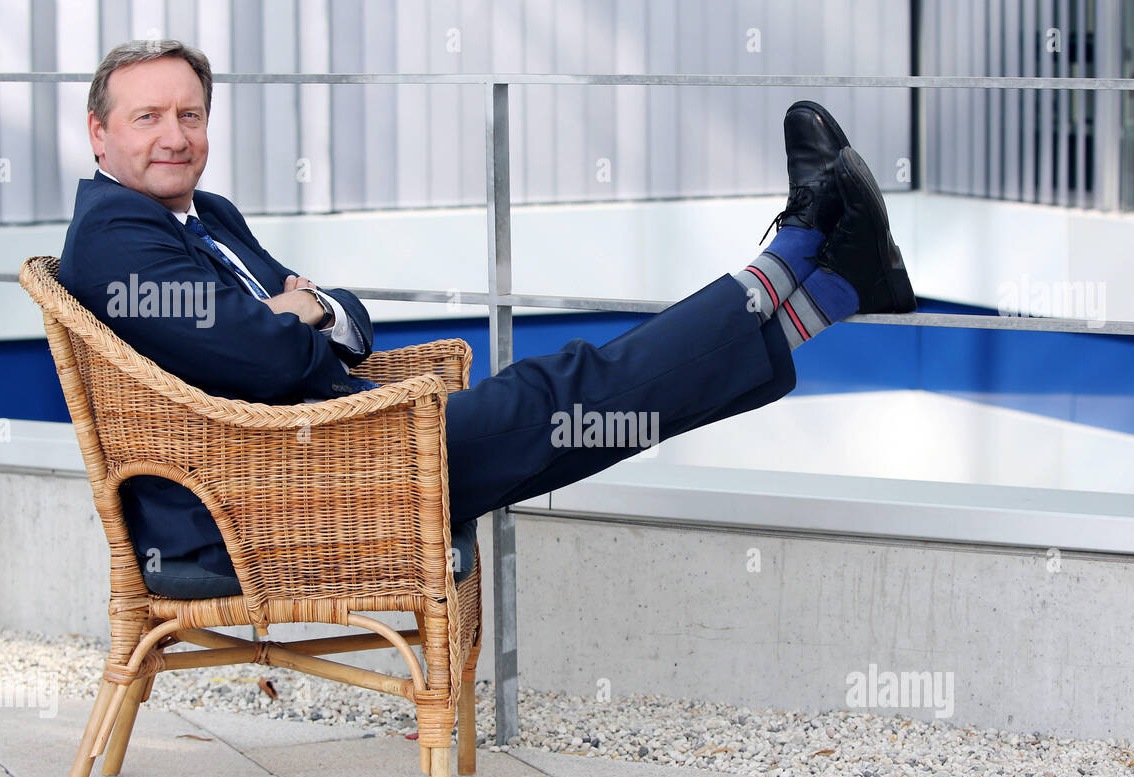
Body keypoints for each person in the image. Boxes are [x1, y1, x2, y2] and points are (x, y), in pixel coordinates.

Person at [58, 40, 915, 600]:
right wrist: (297, 319)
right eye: (148, 118)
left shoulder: (204, 212)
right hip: (276, 494)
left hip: (336, 451)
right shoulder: (115, 236)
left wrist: (308, 310)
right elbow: (268, 360)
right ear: (98, 135)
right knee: (573, 391)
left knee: (590, 408)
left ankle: (827, 282)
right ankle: (807, 263)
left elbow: (335, 318)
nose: (175, 135)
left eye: (190, 114)